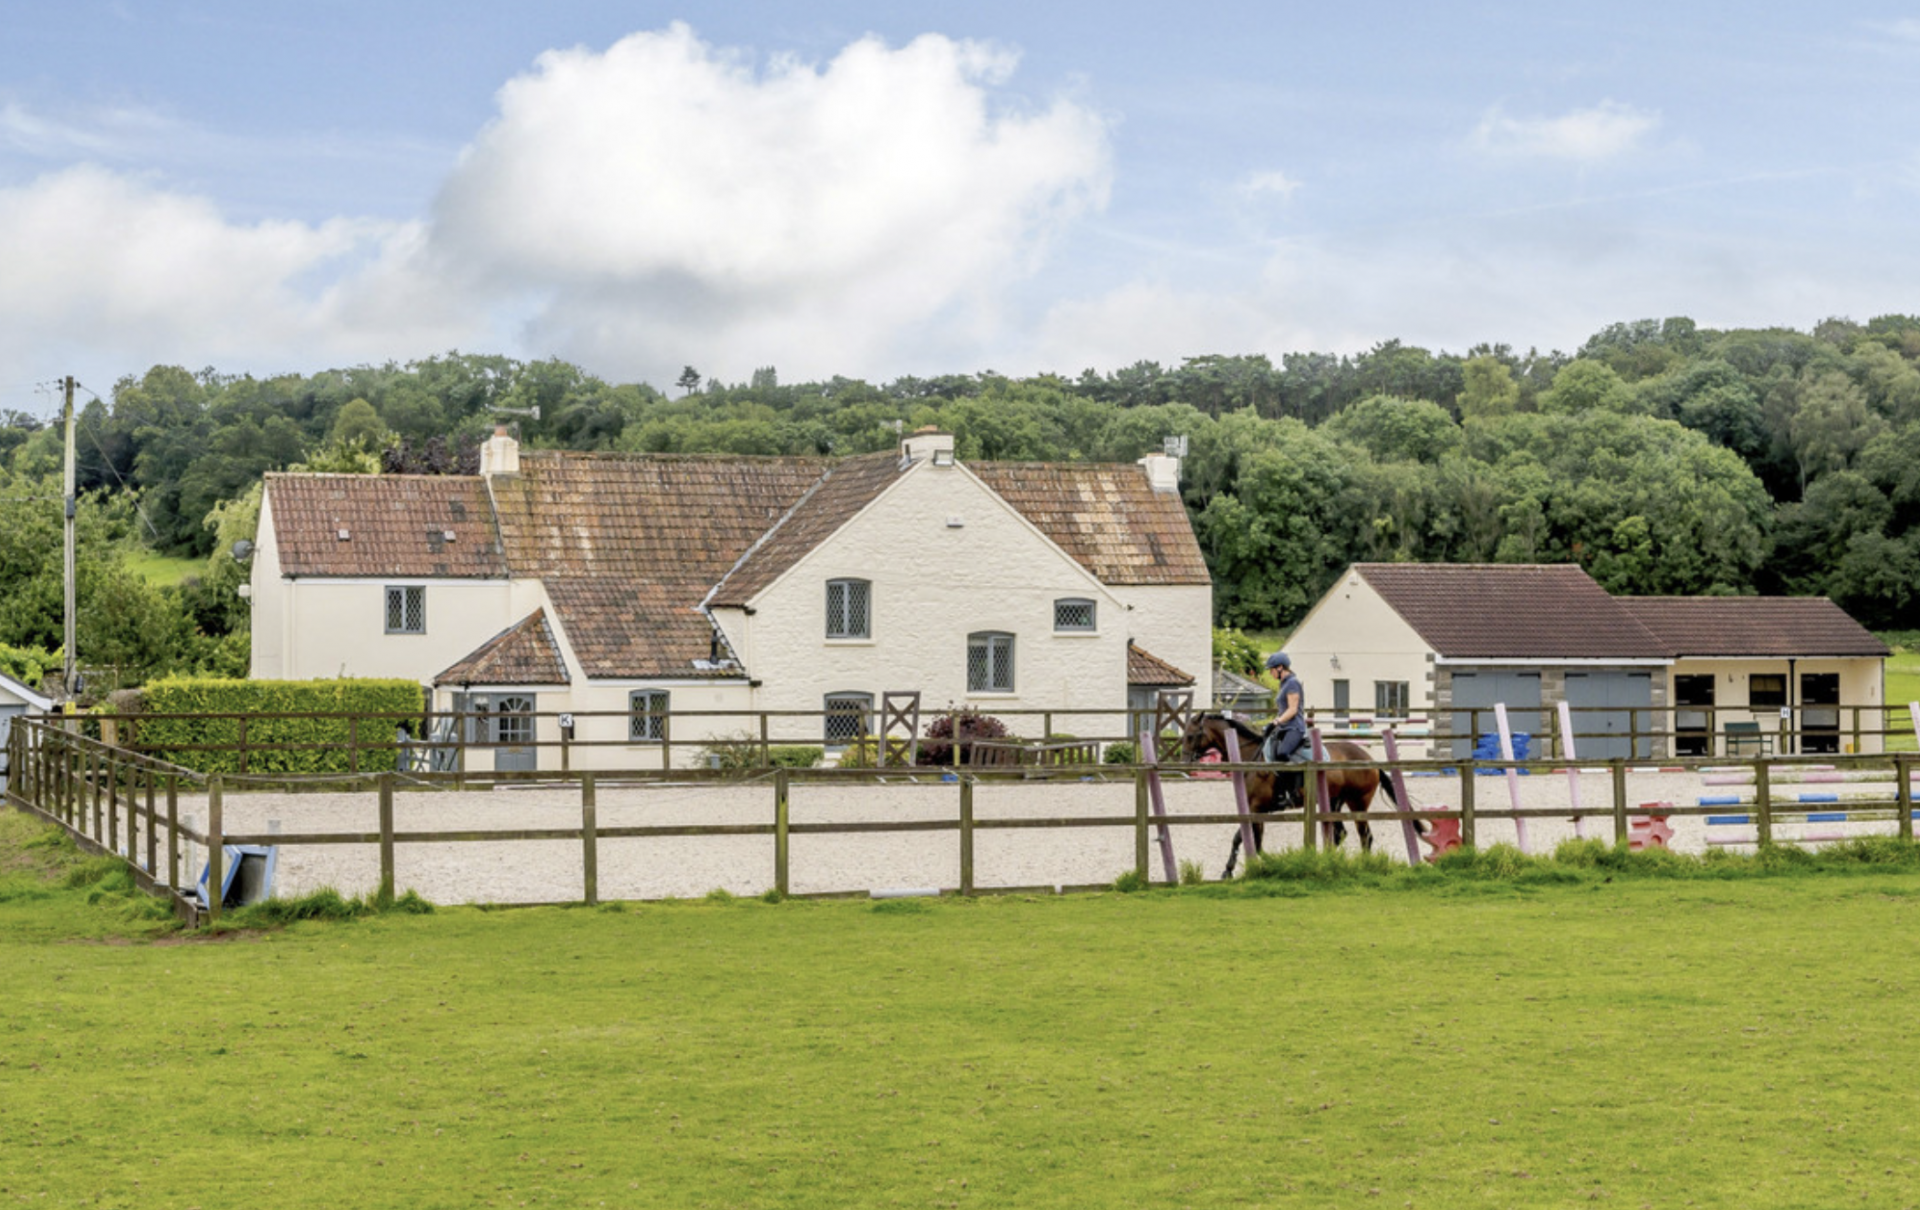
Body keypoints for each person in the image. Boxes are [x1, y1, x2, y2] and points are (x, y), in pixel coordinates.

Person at [1263, 651, 1308, 765]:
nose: (1270, 673)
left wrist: (1276, 722)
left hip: (1294, 728)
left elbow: (1293, 709)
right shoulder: (1284, 684)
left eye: (1271, 670)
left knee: (1282, 753)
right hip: (1284, 727)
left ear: (1280, 668)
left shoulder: (1292, 683)